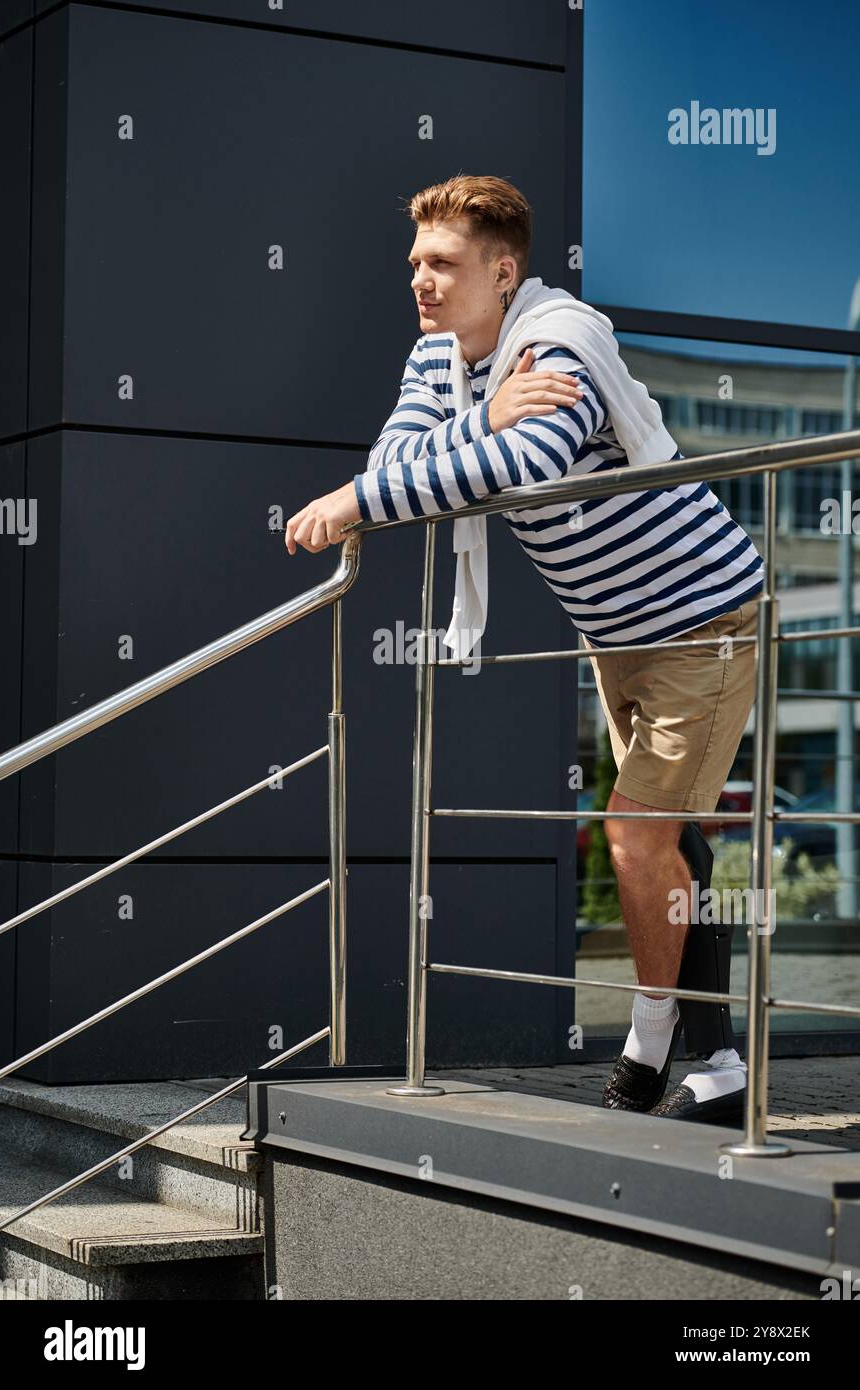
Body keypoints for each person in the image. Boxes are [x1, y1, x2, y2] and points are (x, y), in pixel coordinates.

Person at [284, 174, 761, 1121]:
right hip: (617, 629)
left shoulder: (564, 345)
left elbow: (525, 468)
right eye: (416, 261)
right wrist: (482, 418)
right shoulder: (441, 358)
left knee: (634, 836)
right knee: (669, 842)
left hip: (700, 618)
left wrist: (359, 500)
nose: (421, 280)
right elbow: (401, 463)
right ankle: (698, 1057)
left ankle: (675, 1055)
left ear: (503, 273)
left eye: (444, 263)